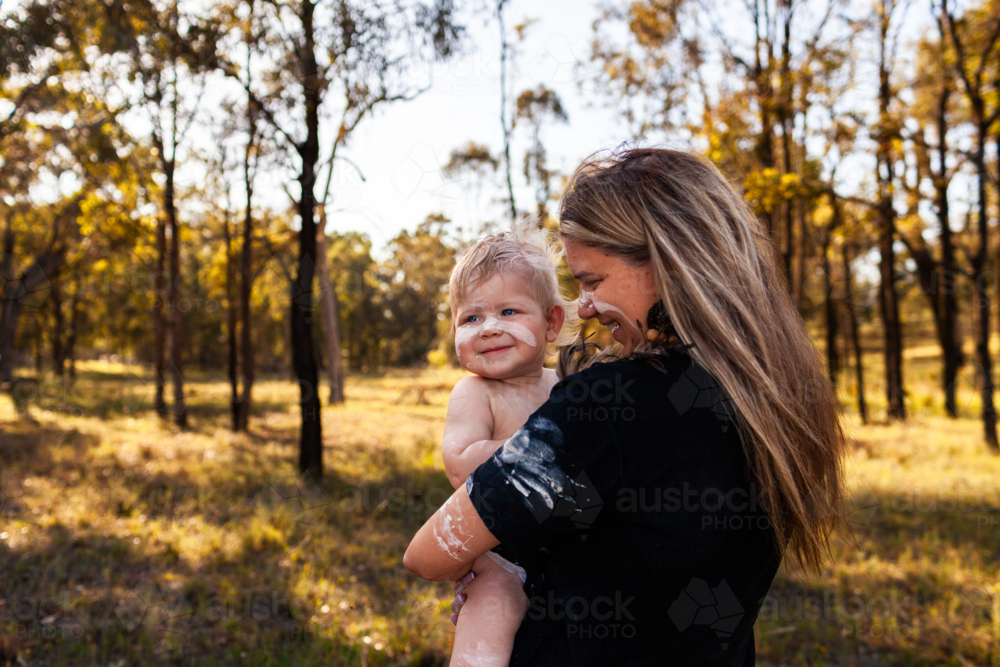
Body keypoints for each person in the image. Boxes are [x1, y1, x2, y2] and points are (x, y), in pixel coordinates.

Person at [404, 147, 847, 665]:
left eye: (592, 281)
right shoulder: (762, 395)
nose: (584, 306)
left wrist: (501, 578)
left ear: (664, 264)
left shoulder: (608, 406)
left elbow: (427, 554)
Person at [437, 217, 579, 666]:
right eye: (471, 317)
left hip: (564, 544)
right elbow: (460, 462)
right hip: (504, 554)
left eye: (508, 312)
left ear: (552, 322)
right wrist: (540, 452)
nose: (489, 328)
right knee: (491, 608)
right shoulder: (475, 393)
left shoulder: (567, 386)